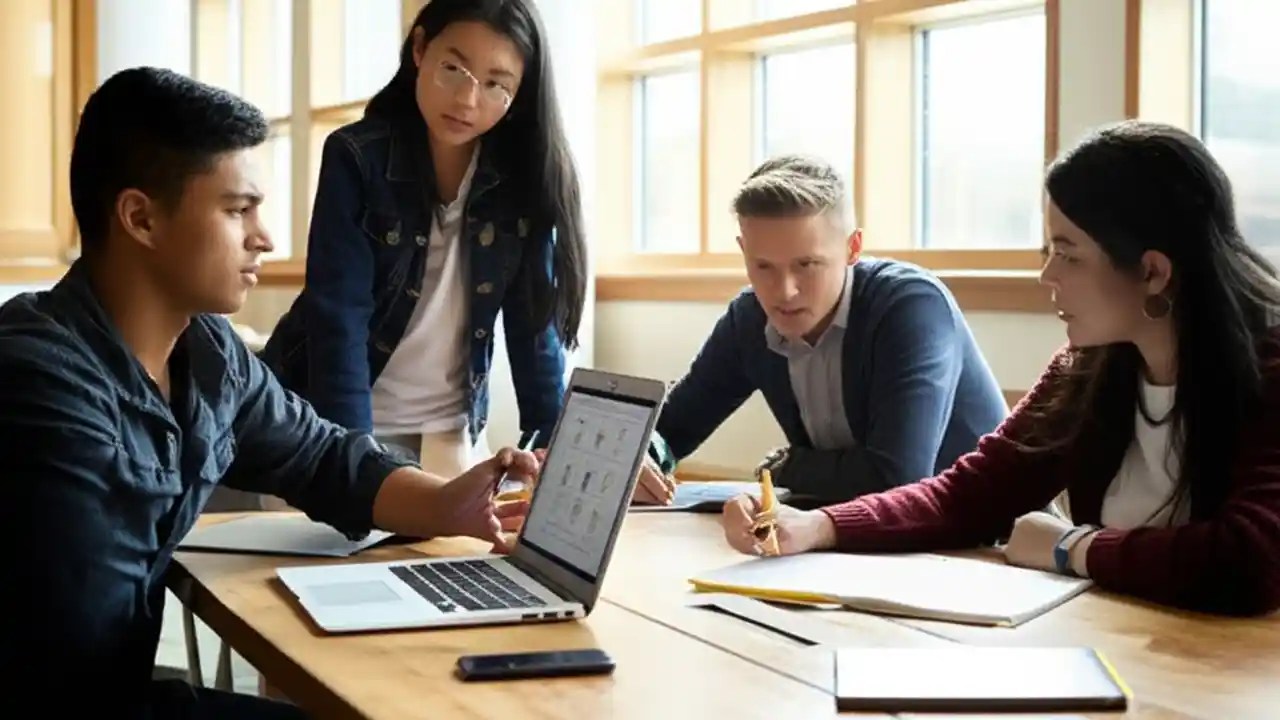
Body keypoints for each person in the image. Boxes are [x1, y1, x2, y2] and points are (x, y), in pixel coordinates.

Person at [0, 67, 535, 716]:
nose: (265, 238)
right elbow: (71, 664)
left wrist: (448, 503)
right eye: (237, 209)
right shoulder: (40, 385)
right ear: (140, 217)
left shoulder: (207, 352)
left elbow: (322, 458)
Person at [722, 121, 1280, 617]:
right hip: (1127, 650)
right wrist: (816, 528)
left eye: (1069, 253)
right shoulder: (1086, 369)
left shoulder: (1270, 368)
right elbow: (965, 496)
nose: (1047, 276)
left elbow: (1252, 558)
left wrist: (1071, 547)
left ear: (1153, 272)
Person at [259, 0, 587, 478]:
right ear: (420, 49)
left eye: (497, 84)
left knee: (457, 552)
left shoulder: (523, 181)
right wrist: (354, 468)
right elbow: (339, 318)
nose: (467, 99)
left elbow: (534, 329)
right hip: (328, 428)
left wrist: (555, 453)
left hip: (448, 436)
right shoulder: (357, 158)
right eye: (454, 68)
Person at [636, 155, 1007, 505]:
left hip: (992, 545)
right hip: (858, 541)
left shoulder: (911, 306)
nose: (784, 291)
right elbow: (673, 427)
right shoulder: (749, 319)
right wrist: (638, 461)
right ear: (743, 249)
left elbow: (897, 479)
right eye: (763, 266)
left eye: (807, 264)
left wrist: (787, 467)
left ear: (853, 248)